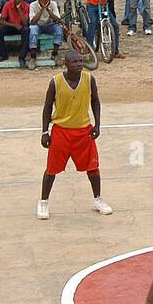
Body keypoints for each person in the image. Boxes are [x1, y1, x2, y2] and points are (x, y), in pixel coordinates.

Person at [37, 49, 111, 218]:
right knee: (51, 169)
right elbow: (47, 107)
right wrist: (44, 132)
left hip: (84, 130)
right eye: (75, 62)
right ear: (66, 64)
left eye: (80, 61)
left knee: (93, 167)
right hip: (61, 131)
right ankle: (43, 202)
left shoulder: (89, 79)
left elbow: (95, 101)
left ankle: (97, 199)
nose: (79, 65)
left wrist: (97, 125)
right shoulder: (55, 82)